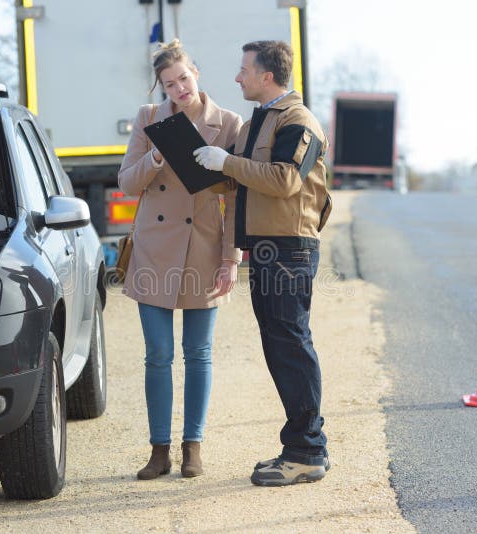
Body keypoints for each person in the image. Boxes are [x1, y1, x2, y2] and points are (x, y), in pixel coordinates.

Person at [194, 40, 332, 487]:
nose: (238, 77)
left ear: (267, 75)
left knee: (291, 347)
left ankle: (307, 452)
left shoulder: (297, 121)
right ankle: (302, 447)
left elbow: (286, 181)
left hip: (290, 250)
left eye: (244, 70)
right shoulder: (261, 121)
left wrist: (228, 162)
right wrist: (200, 164)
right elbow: (241, 182)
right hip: (268, 248)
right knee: (281, 347)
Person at [118, 39, 243, 480]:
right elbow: (128, 182)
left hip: (204, 249)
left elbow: (236, 201)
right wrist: (154, 156)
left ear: (196, 73)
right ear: (162, 87)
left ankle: (193, 446)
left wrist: (231, 259)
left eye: (184, 79)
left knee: (198, 353)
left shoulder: (228, 123)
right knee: (157, 354)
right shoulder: (149, 118)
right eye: (170, 84)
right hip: (154, 250)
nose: (179, 88)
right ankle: (158, 450)